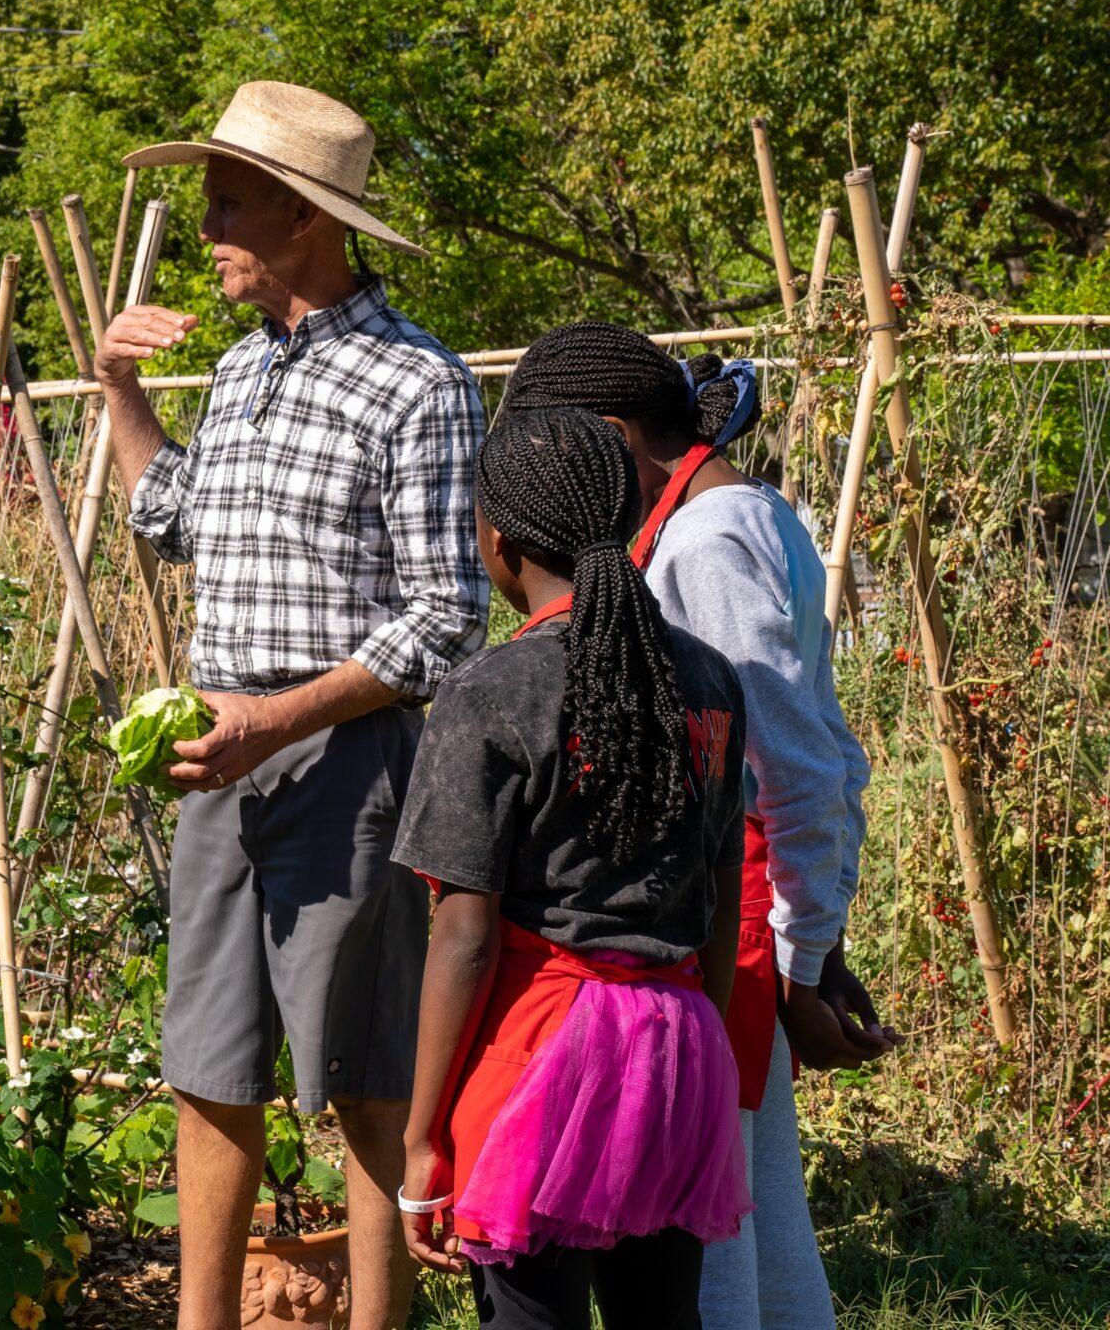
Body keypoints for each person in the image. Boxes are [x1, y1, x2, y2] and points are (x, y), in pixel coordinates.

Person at [94, 80, 490, 1328]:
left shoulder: (416, 384)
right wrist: (117, 388)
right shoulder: (239, 372)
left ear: (303, 219)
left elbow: (444, 618)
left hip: (348, 762)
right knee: (207, 1068)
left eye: (226, 204)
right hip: (220, 760)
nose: (206, 229)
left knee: (366, 1072)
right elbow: (167, 517)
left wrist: (276, 720)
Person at [498, 323, 900, 1329]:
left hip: (728, 924)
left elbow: (795, 768)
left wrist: (802, 962)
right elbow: (823, 750)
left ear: (608, 437)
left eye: (565, 457)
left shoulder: (706, 541)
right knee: (757, 1221)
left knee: (705, 1241)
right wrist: (817, 941)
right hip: (747, 916)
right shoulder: (743, 513)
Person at [395, 404, 753, 1328]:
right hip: (680, 1047)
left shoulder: (490, 691)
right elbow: (720, 896)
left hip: (539, 1057)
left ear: (499, 543)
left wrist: (422, 1137)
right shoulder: (709, 681)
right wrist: (696, 1054)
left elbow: (465, 937)